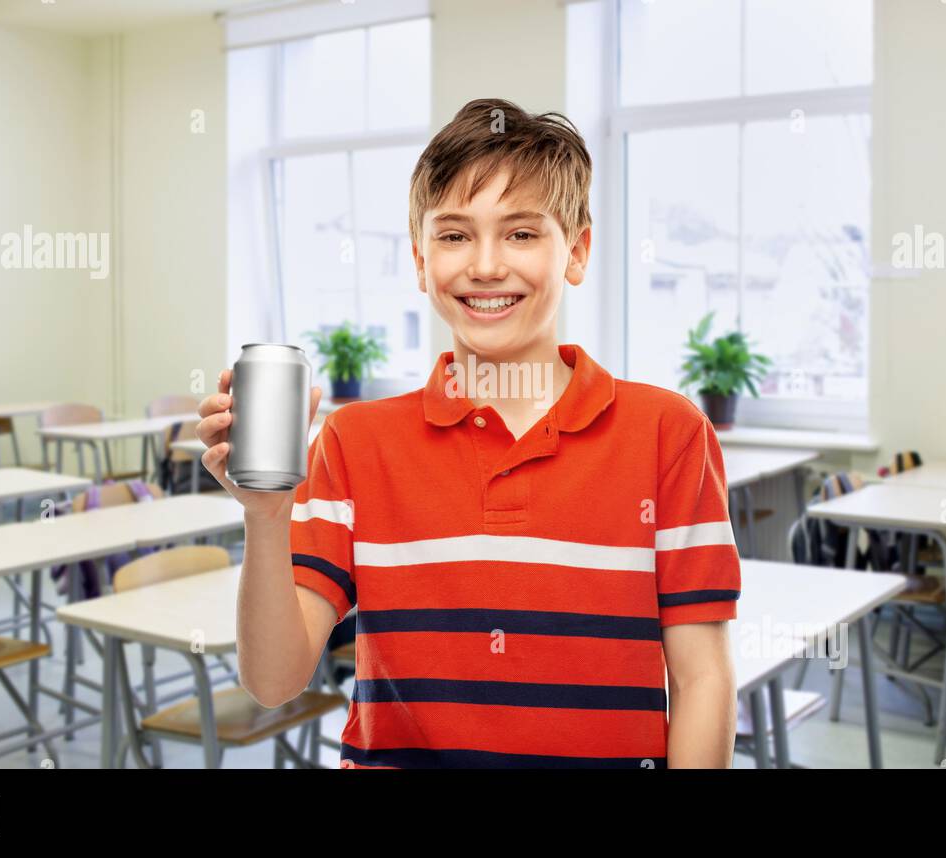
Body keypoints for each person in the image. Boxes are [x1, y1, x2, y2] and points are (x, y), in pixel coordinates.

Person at [196, 98, 740, 768]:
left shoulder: (667, 433)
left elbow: (702, 678)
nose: (485, 265)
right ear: (421, 261)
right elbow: (274, 681)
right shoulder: (355, 442)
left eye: (520, 233)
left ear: (576, 250)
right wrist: (267, 517)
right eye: (453, 236)